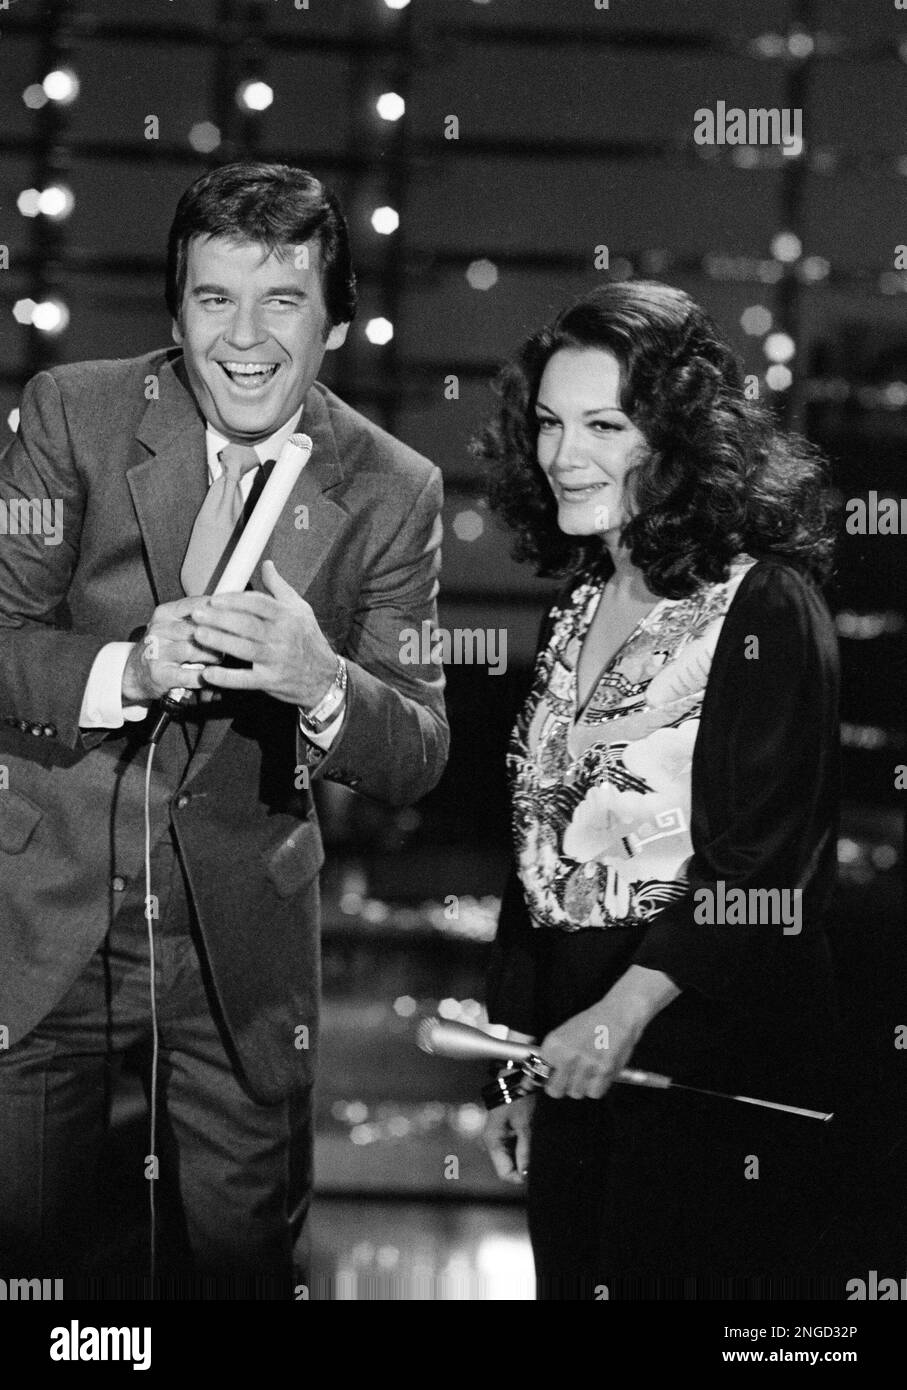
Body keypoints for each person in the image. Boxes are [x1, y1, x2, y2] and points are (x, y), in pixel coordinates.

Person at [0, 161, 448, 1298]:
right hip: (46, 919)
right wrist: (127, 664)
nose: (245, 338)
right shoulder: (75, 412)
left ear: (334, 319)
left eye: (283, 299)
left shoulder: (393, 488)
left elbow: (418, 748)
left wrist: (321, 680)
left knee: (242, 1273)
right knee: (25, 1270)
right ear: (174, 313)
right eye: (213, 300)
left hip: (240, 956)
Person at [476, 280, 841, 1300]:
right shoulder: (580, 597)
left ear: (676, 437)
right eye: (549, 422)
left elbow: (765, 866)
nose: (563, 453)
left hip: (699, 1059)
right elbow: (543, 853)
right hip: (578, 1055)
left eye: (603, 423)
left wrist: (620, 1015)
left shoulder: (764, 599)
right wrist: (525, 1069)